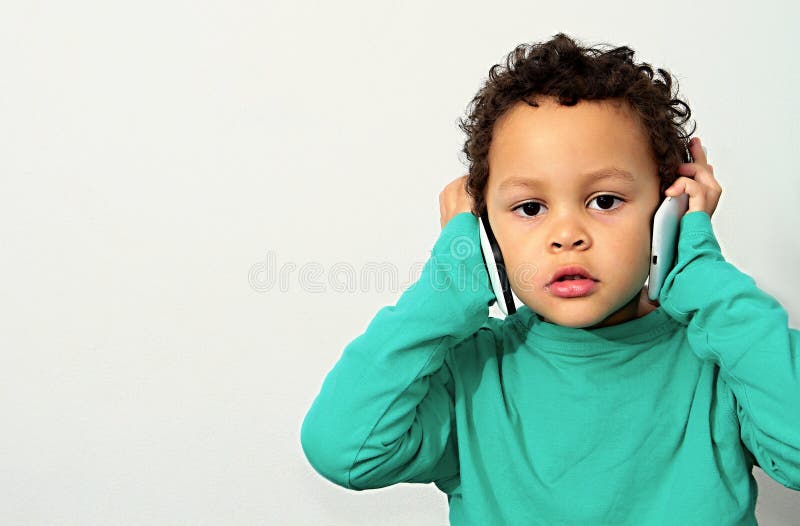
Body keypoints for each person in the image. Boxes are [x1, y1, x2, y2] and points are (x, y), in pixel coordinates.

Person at [300, 33, 800, 524]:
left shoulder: (725, 357)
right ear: (487, 231)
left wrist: (700, 271)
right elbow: (345, 451)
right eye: (530, 207)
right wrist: (448, 281)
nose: (566, 235)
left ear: (671, 204)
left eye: (604, 201)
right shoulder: (471, 373)